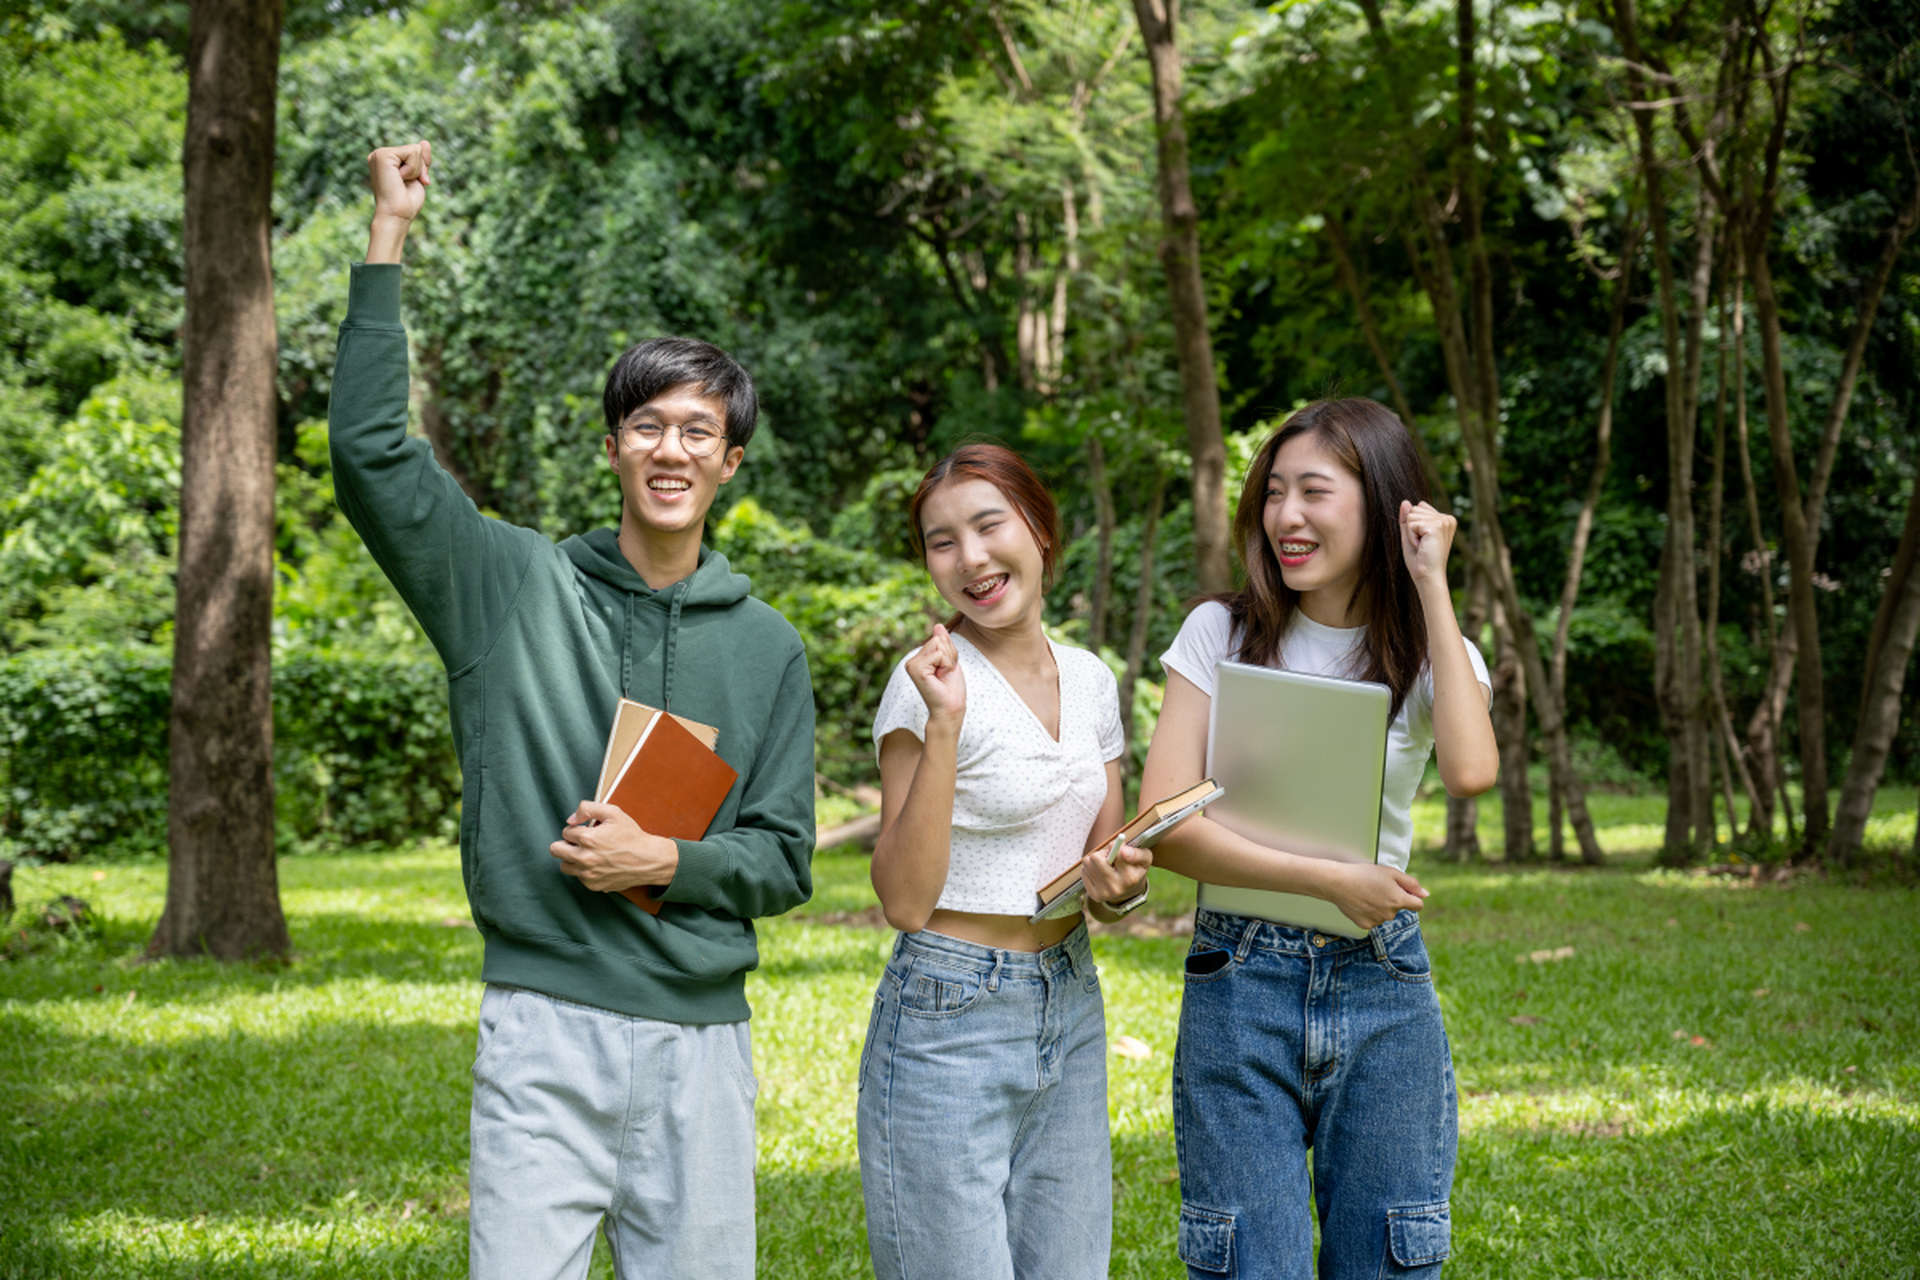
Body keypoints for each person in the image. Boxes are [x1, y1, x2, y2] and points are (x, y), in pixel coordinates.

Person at [329, 141, 816, 1280]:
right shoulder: (508, 585)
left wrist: (668, 858)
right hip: (544, 1023)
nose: (671, 447)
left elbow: (786, 858)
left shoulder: (768, 646)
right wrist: (387, 235)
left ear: (730, 462)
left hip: (704, 1045)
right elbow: (369, 456)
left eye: (698, 430)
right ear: (612, 447)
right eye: (648, 424)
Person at [1139, 398, 1499, 1280]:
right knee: (1246, 1260)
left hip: (1382, 980)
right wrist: (1323, 878)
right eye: (1273, 492)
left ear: (1380, 502)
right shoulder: (1218, 634)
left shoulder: (1431, 650)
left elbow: (1471, 771)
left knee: (1388, 1255)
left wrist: (1431, 583)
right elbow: (1164, 826)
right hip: (1238, 980)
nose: (1286, 516)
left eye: (1314, 492)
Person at [857, 443, 1152, 1280]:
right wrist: (946, 721)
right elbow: (905, 900)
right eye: (941, 541)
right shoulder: (926, 683)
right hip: (948, 1010)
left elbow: (1108, 877)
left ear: (1040, 529)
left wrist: (1122, 887)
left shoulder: (1093, 681)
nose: (971, 558)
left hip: (1069, 997)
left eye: (989, 525)